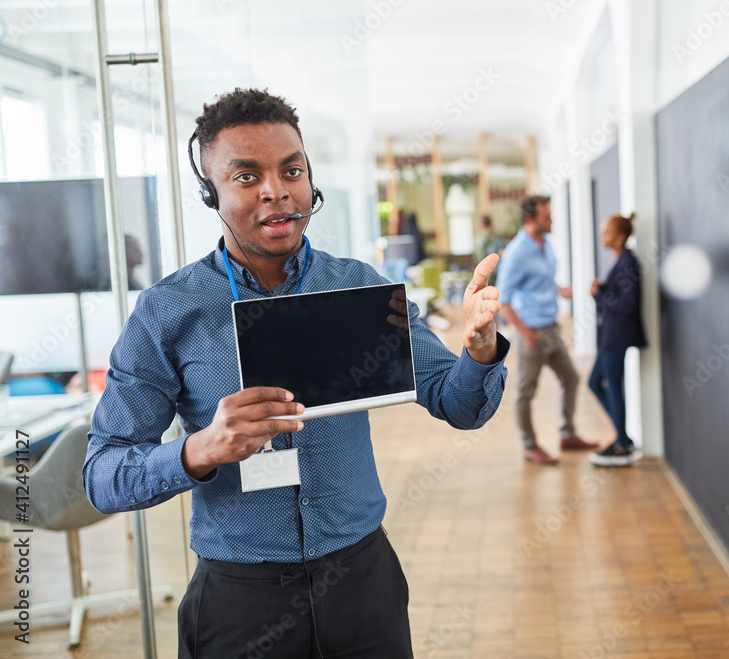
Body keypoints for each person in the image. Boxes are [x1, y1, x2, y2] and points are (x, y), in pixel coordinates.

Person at [82, 88, 509, 658]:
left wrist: (478, 351)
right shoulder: (168, 312)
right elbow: (103, 475)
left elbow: (458, 404)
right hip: (240, 599)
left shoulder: (359, 290)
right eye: (245, 176)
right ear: (211, 194)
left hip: (362, 583)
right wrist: (200, 449)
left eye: (292, 170)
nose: (276, 190)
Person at [496, 194, 596, 465]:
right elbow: (503, 298)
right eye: (546, 217)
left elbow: (543, 281)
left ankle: (567, 435)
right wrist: (524, 332)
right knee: (526, 391)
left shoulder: (547, 245)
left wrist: (562, 291)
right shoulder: (516, 252)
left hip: (552, 327)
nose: (551, 220)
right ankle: (530, 446)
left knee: (572, 379)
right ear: (530, 220)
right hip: (532, 332)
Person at [587, 214, 647, 467]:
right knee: (595, 383)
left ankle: (622, 445)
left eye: (607, 232)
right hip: (610, 336)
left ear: (620, 237)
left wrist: (599, 294)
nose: (602, 236)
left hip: (616, 336)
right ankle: (623, 438)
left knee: (612, 387)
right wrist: (602, 292)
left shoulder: (628, 263)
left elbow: (628, 305)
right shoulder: (622, 261)